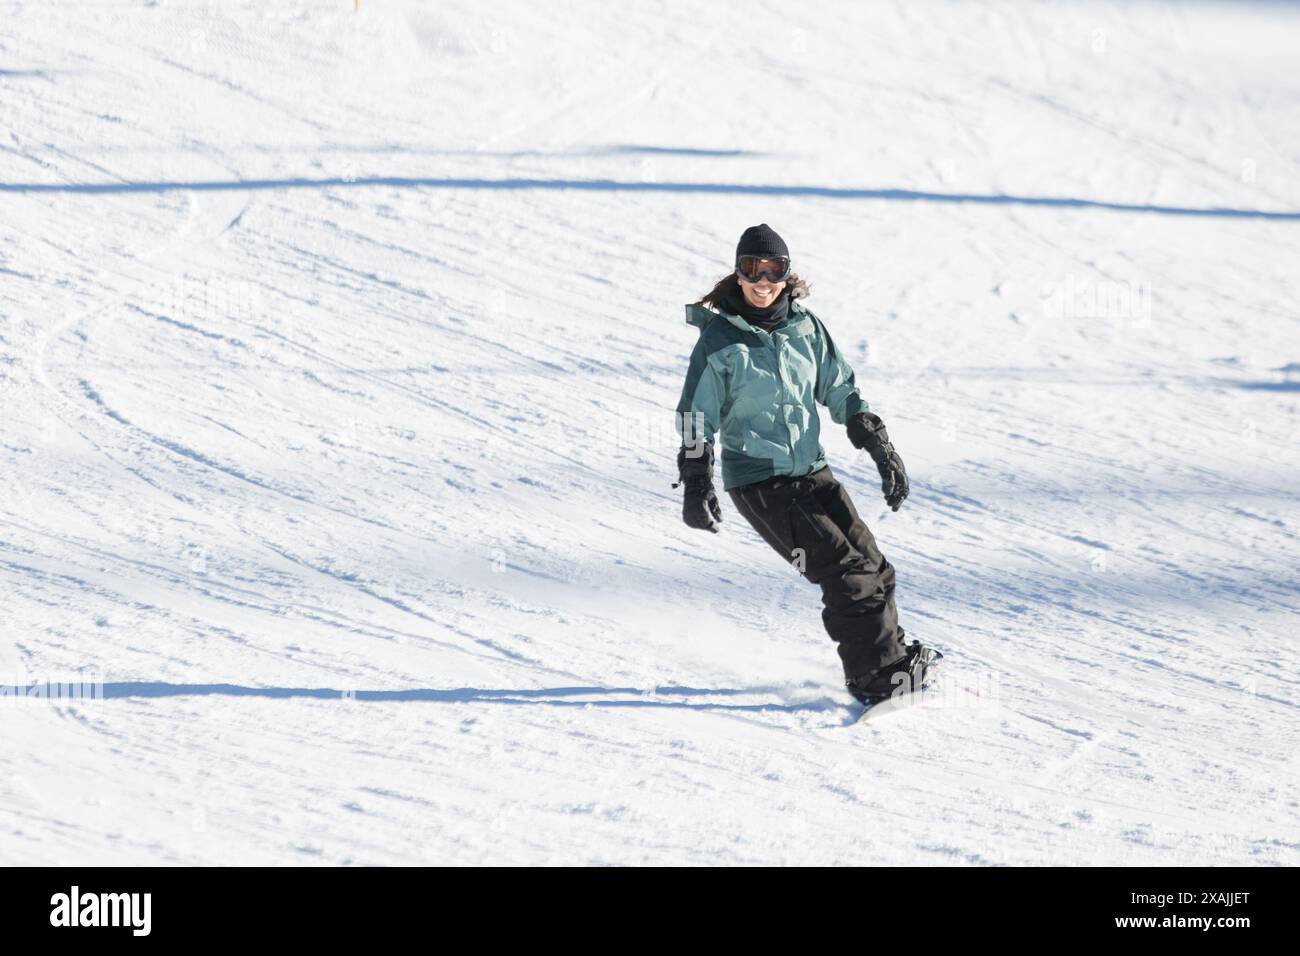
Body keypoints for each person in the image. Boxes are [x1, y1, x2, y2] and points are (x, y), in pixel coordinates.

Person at [672, 223, 938, 706]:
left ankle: (893, 661)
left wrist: (878, 445)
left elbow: (838, 388)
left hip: (812, 471)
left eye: (772, 269)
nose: (762, 280)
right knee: (845, 576)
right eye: (751, 268)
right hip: (760, 481)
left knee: (875, 568)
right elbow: (696, 416)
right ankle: (873, 681)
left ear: (786, 274)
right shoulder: (719, 342)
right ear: (738, 272)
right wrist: (696, 481)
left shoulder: (804, 328)